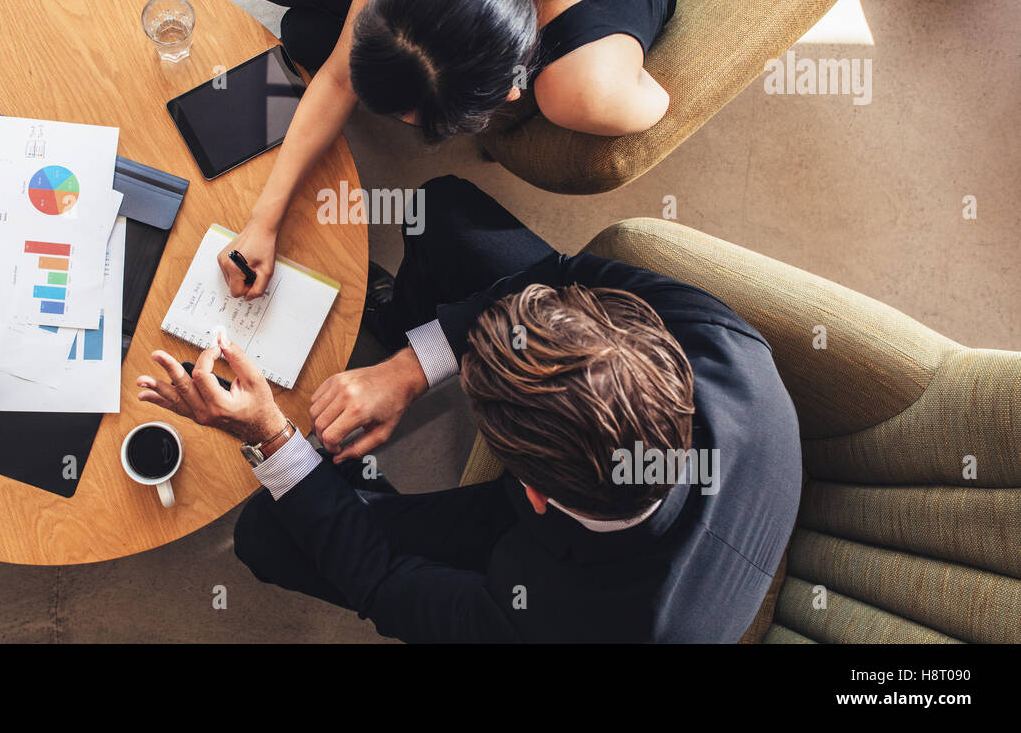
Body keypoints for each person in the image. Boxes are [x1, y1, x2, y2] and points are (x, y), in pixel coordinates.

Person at [135, 176, 800, 643]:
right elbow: (563, 273)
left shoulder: (553, 622)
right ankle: (387, 347)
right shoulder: (725, 346)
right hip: (638, 504)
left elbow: (381, 582)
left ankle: (337, 471)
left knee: (268, 536)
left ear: (529, 493)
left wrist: (270, 436)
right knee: (441, 207)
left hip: (590, 570)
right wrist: (410, 368)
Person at [125, 0, 678, 299]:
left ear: (511, 91)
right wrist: (262, 223)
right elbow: (343, 72)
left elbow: (660, 100)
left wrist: (600, 72)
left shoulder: (585, 88)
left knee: (305, 32)